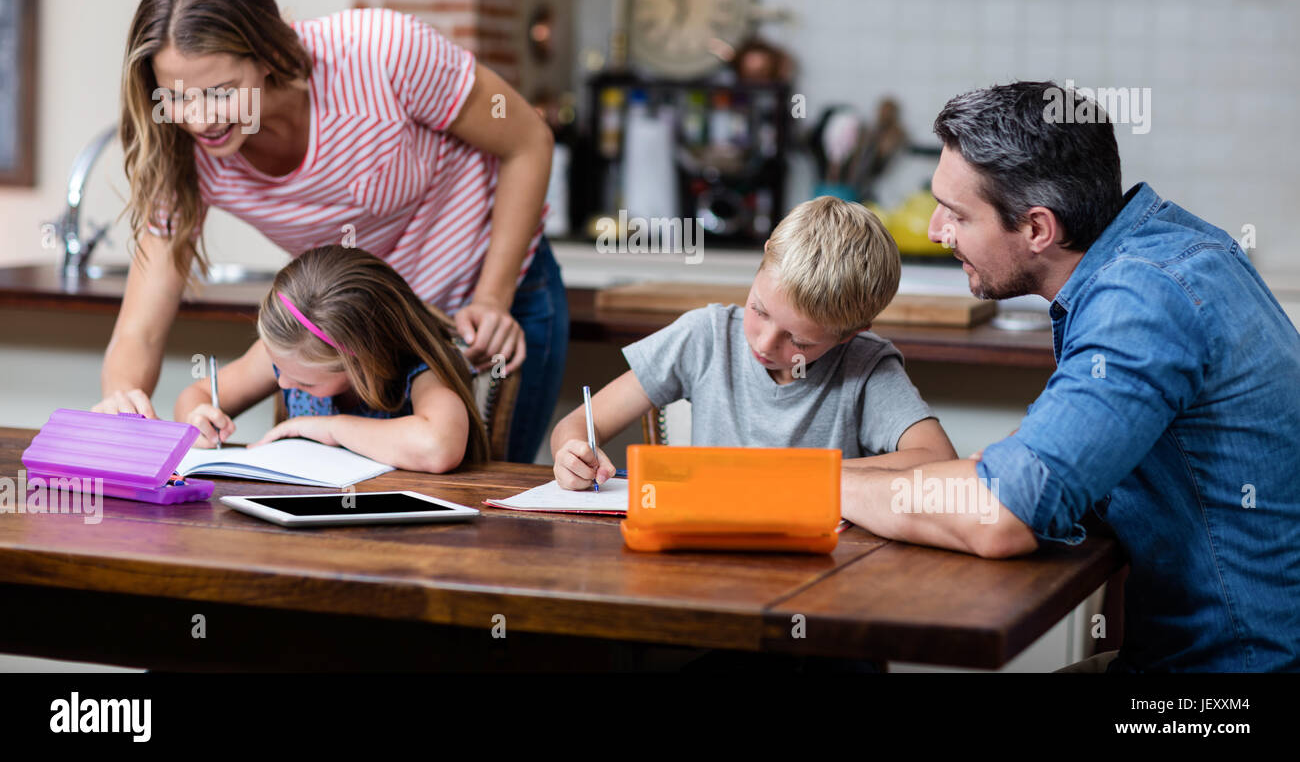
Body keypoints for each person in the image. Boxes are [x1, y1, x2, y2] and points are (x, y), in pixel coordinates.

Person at [841, 81, 1300, 672]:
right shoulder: (1168, 249)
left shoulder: (1142, 301)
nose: (934, 230)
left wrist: (813, 486)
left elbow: (1002, 515)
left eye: (956, 213)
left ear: (1037, 229)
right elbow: (1031, 473)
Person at [94, 0, 565, 462]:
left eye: (220, 92)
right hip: (352, 336)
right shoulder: (182, 148)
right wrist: (123, 400)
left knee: (485, 502)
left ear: (268, 51)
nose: (200, 119)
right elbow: (139, 327)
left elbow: (528, 142)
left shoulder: (383, 53)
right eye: (177, 97)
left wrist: (492, 298)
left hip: (489, 299)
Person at [551, 196, 955, 489]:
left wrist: (796, 474)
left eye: (798, 340)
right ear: (763, 260)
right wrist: (572, 453)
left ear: (851, 334)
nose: (764, 342)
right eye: (759, 310)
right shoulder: (705, 336)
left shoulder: (865, 366)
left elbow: (937, 460)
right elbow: (577, 425)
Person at [173, 245, 488, 472]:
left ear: (363, 364)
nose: (282, 381)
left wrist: (332, 428)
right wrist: (197, 418)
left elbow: (438, 447)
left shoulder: (419, 372)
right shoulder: (288, 354)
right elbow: (194, 396)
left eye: (305, 382)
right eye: (277, 368)